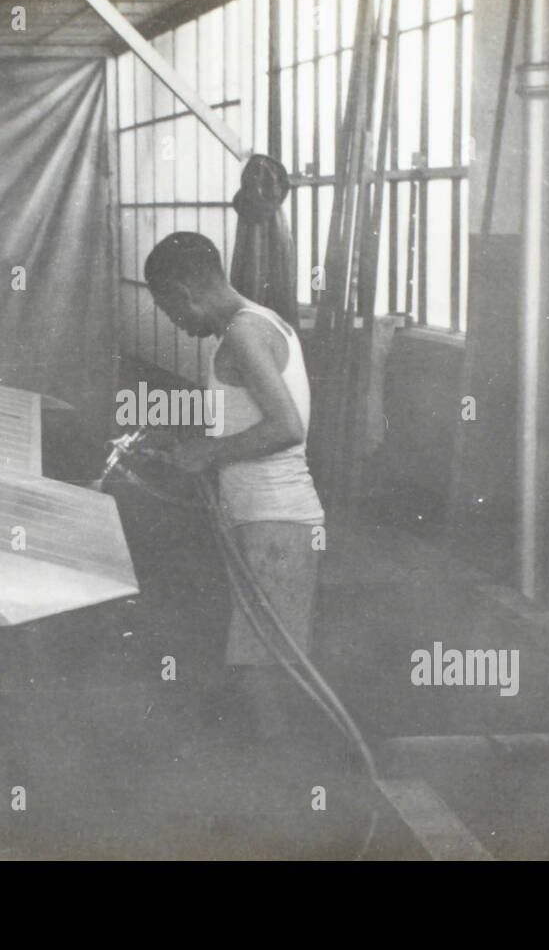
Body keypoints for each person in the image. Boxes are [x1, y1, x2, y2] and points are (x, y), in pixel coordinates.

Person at [142, 232, 324, 739]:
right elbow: (245, 420)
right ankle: (280, 776)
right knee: (260, 659)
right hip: (262, 518)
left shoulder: (245, 333)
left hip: (277, 519)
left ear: (184, 292)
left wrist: (206, 454)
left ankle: (284, 786)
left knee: (266, 670)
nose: (174, 322)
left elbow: (288, 427)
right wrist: (187, 442)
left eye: (169, 309)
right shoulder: (257, 323)